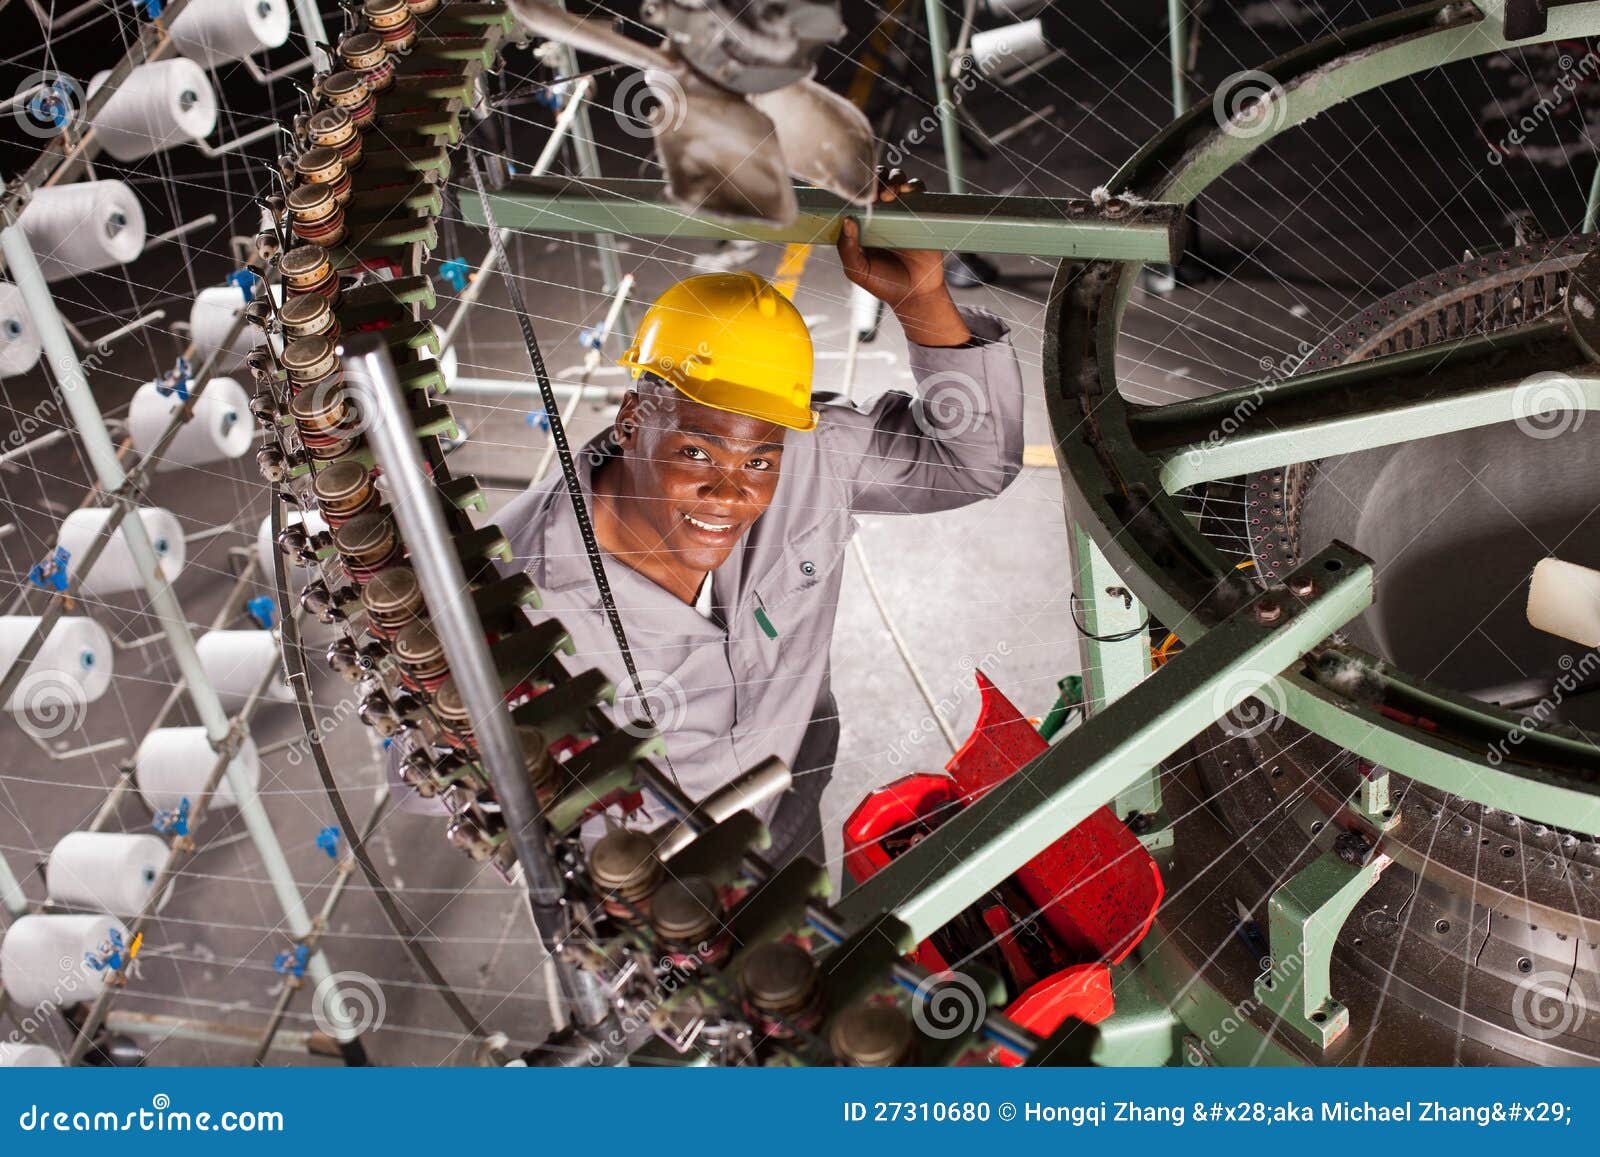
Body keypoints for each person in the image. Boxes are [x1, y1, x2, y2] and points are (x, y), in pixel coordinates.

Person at [498, 173, 1024, 864]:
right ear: (631, 421)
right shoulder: (517, 593)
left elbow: (976, 462)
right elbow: (452, 781)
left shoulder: (810, 455)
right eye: (695, 451)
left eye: (758, 460)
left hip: (788, 803)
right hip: (643, 880)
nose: (729, 493)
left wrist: (922, 302)